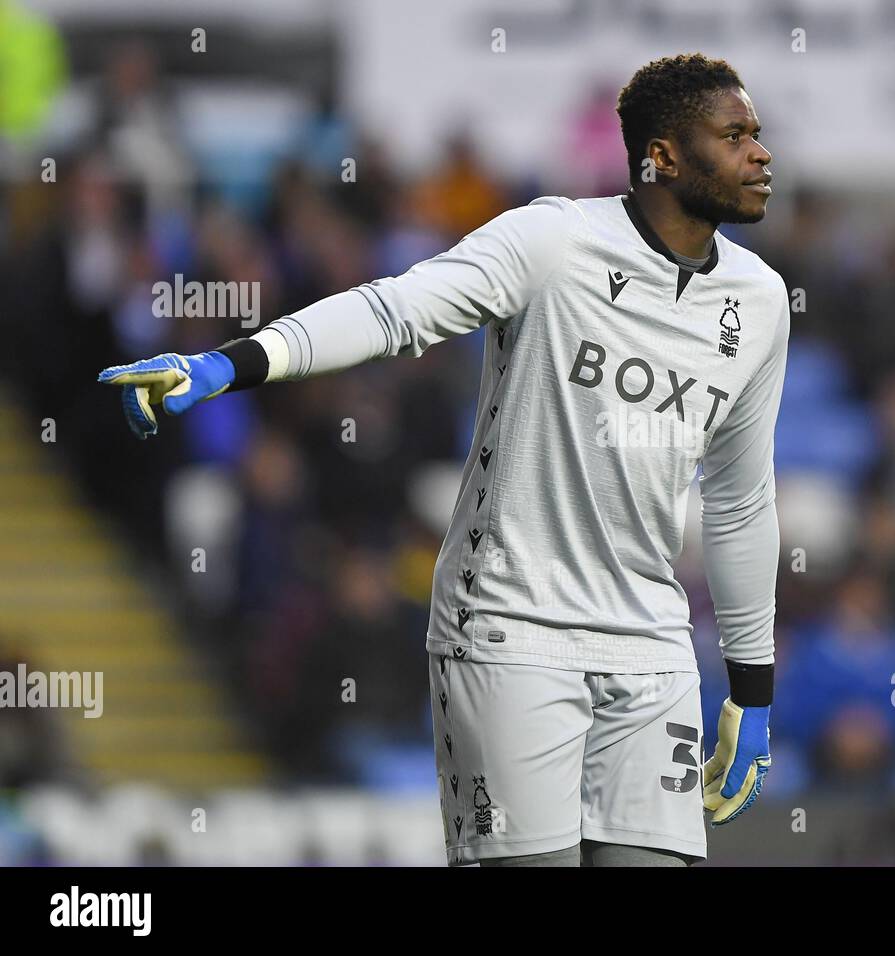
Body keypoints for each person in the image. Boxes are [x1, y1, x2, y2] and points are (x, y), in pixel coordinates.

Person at [98, 53, 788, 868]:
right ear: (663, 156)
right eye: (735, 134)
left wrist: (753, 691)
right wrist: (232, 363)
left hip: (653, 646)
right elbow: (395, 310)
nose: (760, 153)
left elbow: (740, 501)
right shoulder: (555, 240)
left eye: (758, 133)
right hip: (510, 627)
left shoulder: (760, 300)